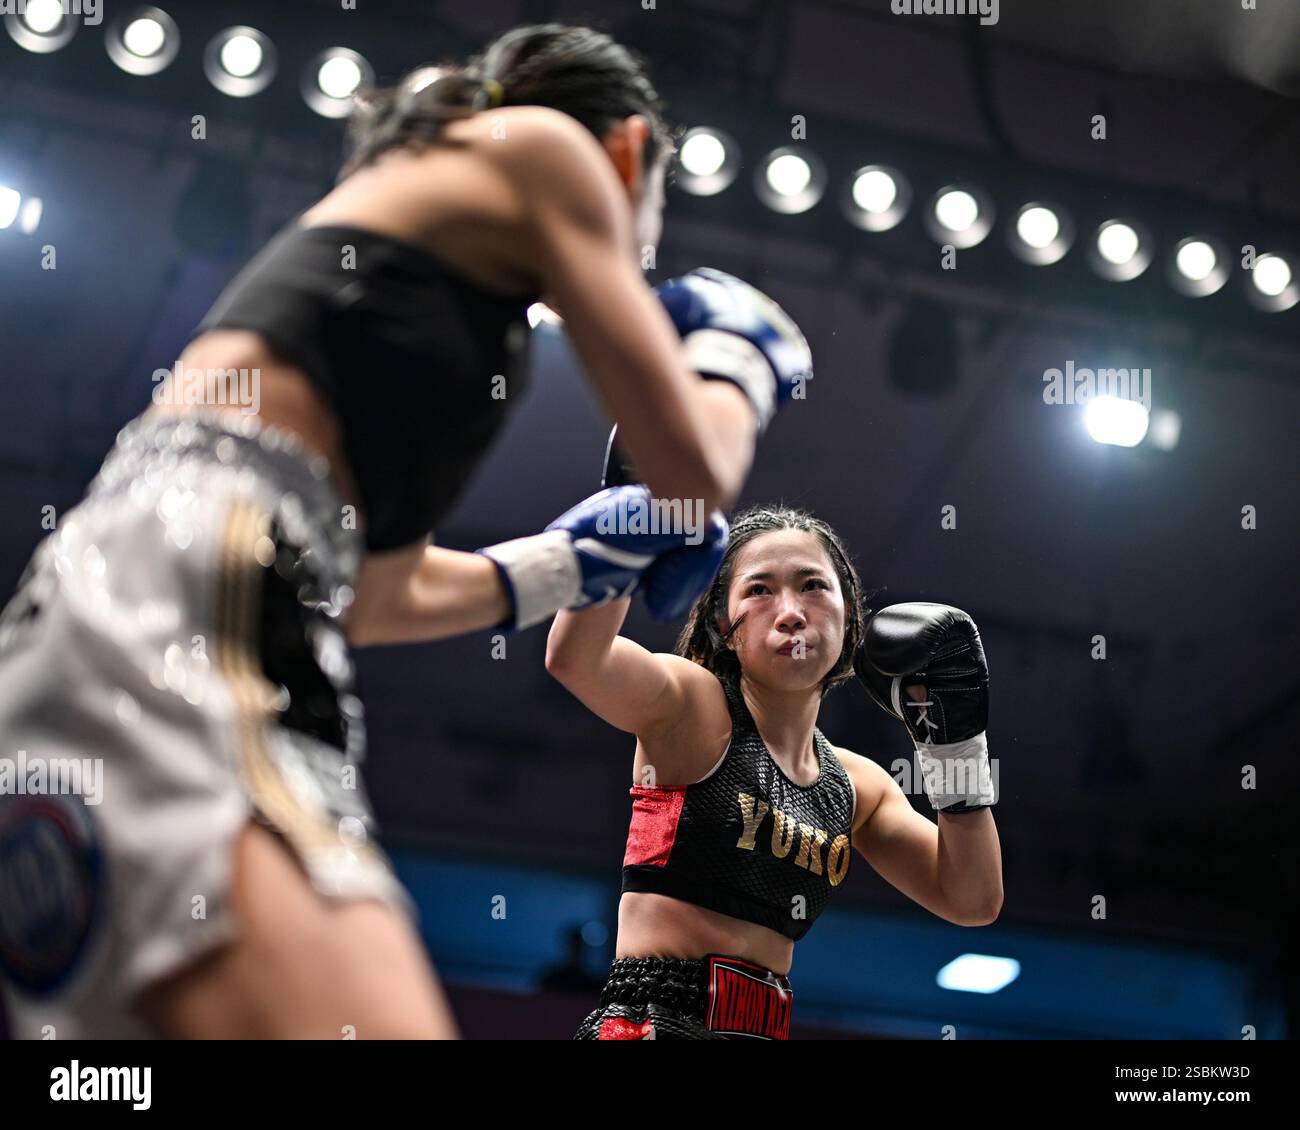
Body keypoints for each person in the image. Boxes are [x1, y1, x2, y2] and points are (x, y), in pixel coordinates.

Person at [0, 22, 814, 1039]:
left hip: (162, 599)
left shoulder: (438, 279)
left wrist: (569, 561)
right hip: (190, 594)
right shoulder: (538, 144)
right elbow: (696, 468)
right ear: (630, 150)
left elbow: (374, 596)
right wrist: (748, 350)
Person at [545, 505, 1004, 1039]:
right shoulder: (694, 708)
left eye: (812, 586)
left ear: (850, 616)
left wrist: (954, 748)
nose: (790, 611)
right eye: (760, 590)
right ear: (724, 623)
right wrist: (628, 524)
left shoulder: (859, 786)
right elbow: (575, 658)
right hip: (652, 1025)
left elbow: (973, 899)